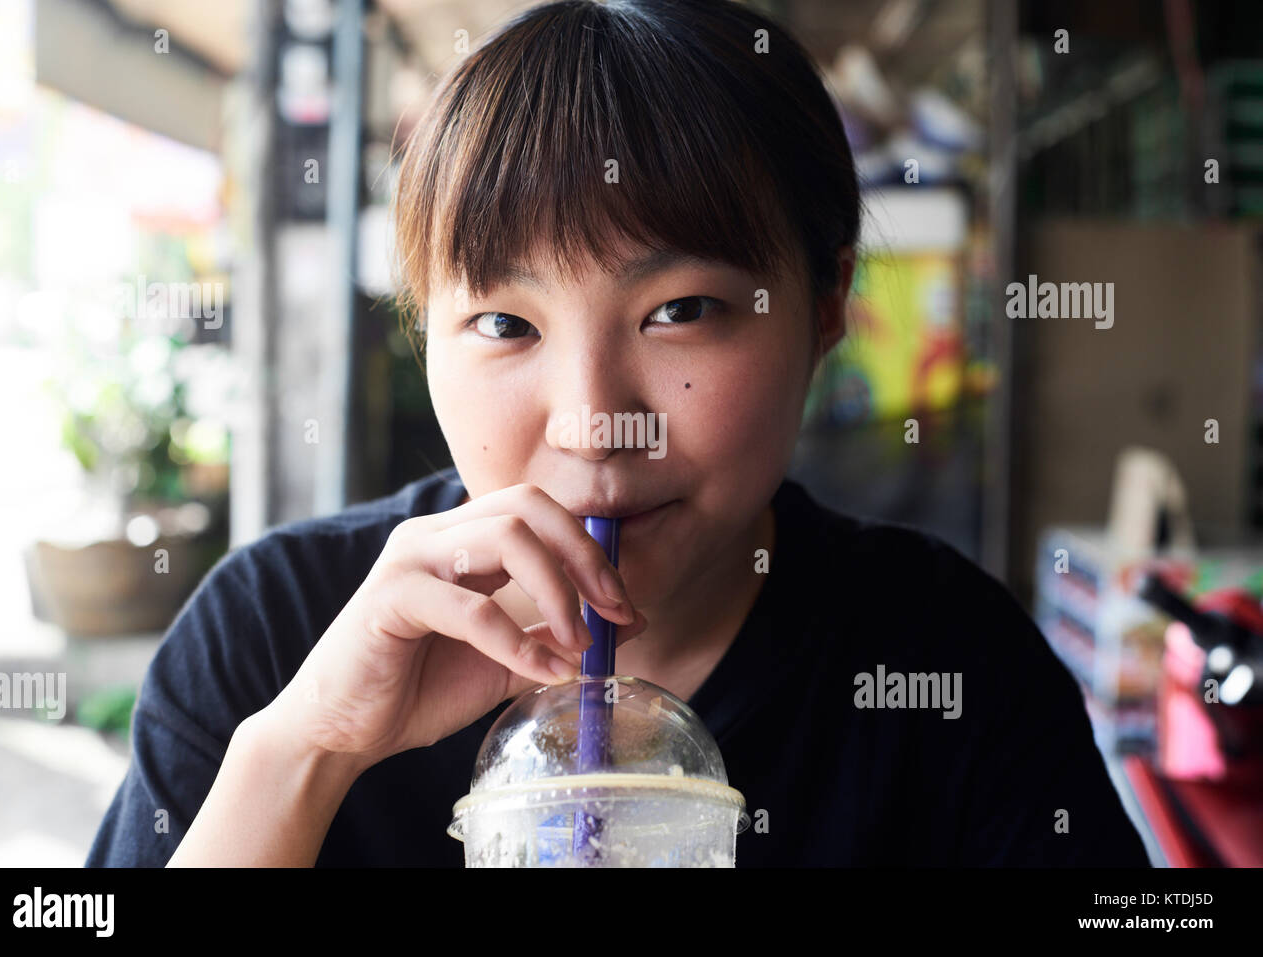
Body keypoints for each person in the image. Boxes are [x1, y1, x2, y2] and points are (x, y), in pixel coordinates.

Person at [87, 0, 1149, 867]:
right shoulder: (272, 635)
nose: (596, 421)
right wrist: (301, 758)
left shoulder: (946, 663)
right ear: (423, 337)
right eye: (505, 323)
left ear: (825, 303)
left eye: (680, 310)